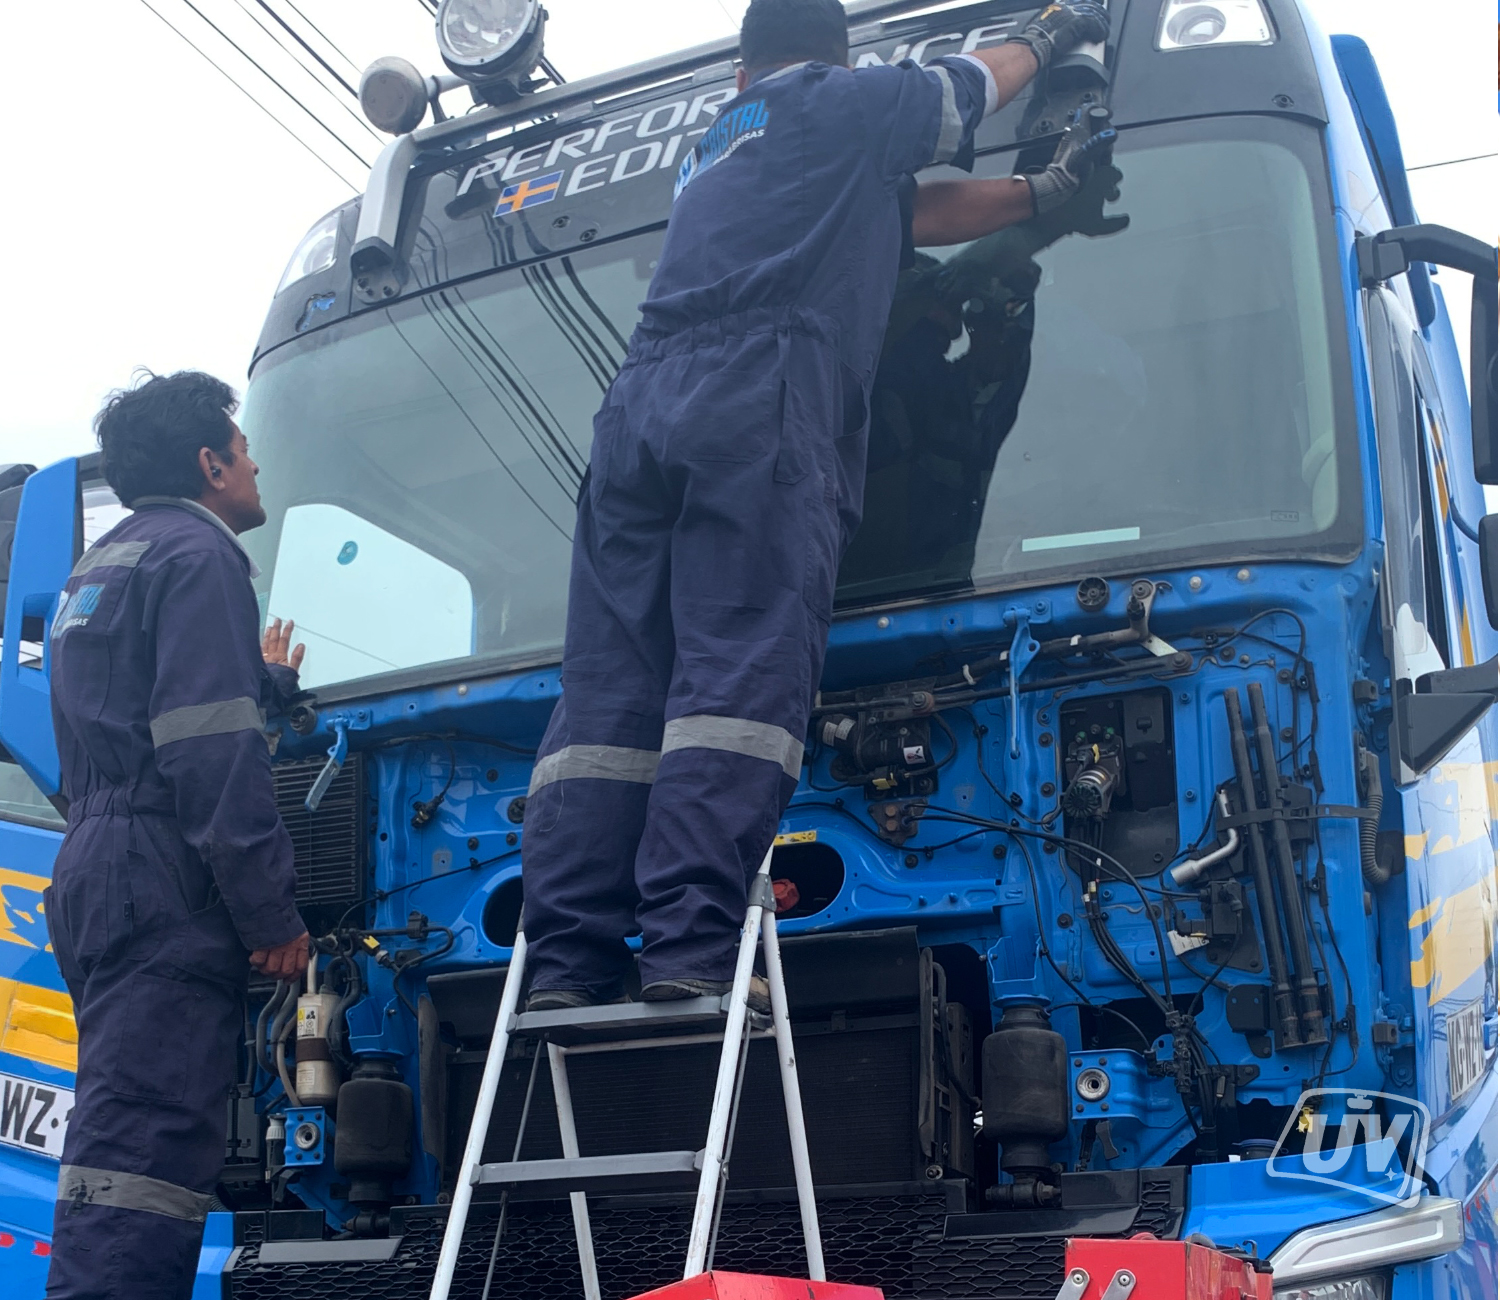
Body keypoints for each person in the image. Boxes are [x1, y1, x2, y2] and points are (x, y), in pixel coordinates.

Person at [521, 0, 1115, 1012]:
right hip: (755, 394)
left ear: (743, 65)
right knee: (735, 680)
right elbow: (969, 87)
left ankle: (566, 965)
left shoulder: (718, 146)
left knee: (609, 701)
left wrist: (1034, 194)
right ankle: (689, 951)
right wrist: (1055, 31)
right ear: (835, 57)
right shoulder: (835, 102)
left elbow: (908, 213)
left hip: (637, 409)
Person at [43, 370, 309, 1299]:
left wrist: (259, 678)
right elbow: (209, 757)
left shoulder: (105, 562)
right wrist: (271, 914)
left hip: (98, 864)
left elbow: (131, 712)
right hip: (161, 877)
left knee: (116, 1136)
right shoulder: (201, 558)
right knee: (147, 1151)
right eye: (242, 449)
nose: (254, 461)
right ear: (210, 463)